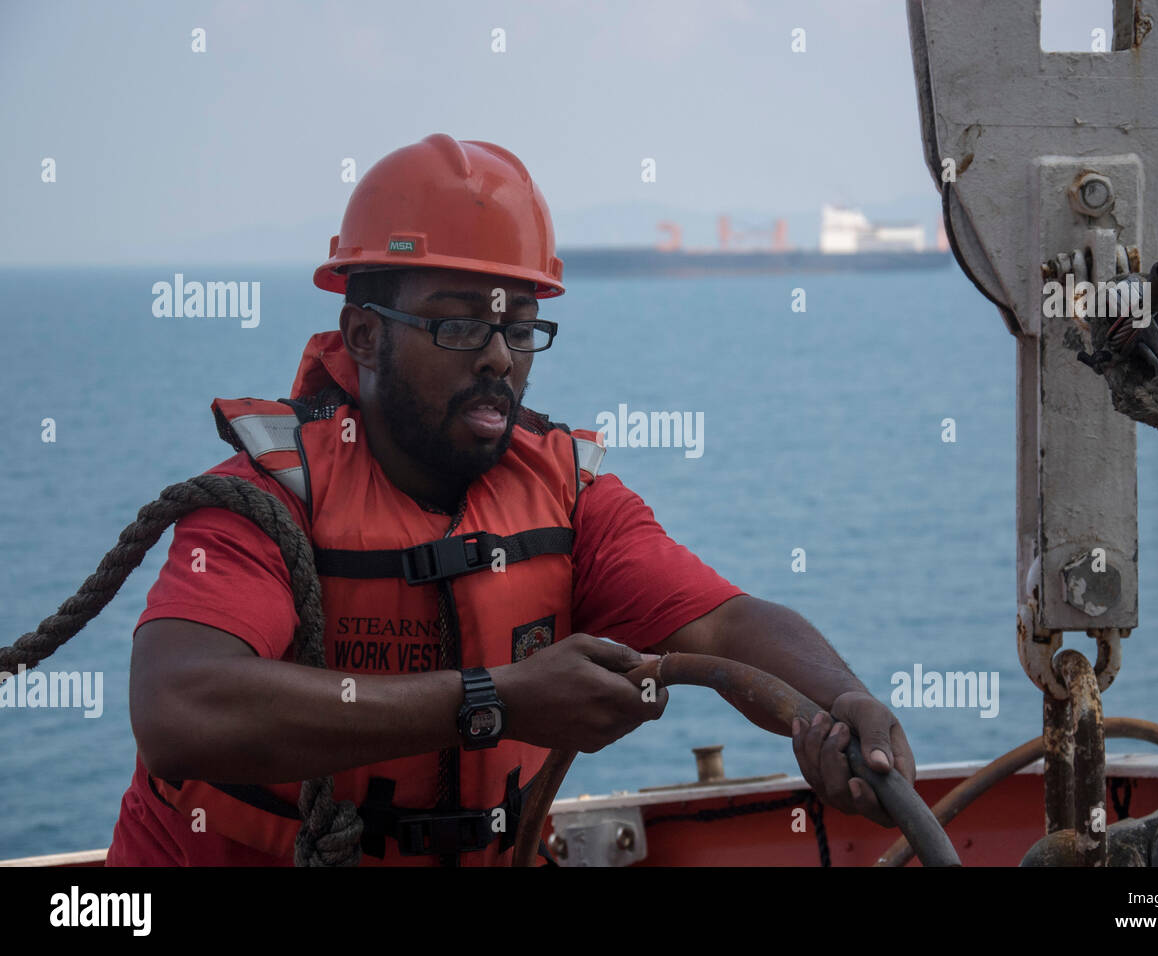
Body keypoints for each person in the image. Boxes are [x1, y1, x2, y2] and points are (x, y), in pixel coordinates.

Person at [105, 133, 915, 866]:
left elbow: (727, 624)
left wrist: (842, 703)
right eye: (457, 325)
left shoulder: (567, 496)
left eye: (519, 327)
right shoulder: (269, 499)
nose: (497, 356)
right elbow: (180, 706)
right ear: (361, 335)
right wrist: (493, 702)